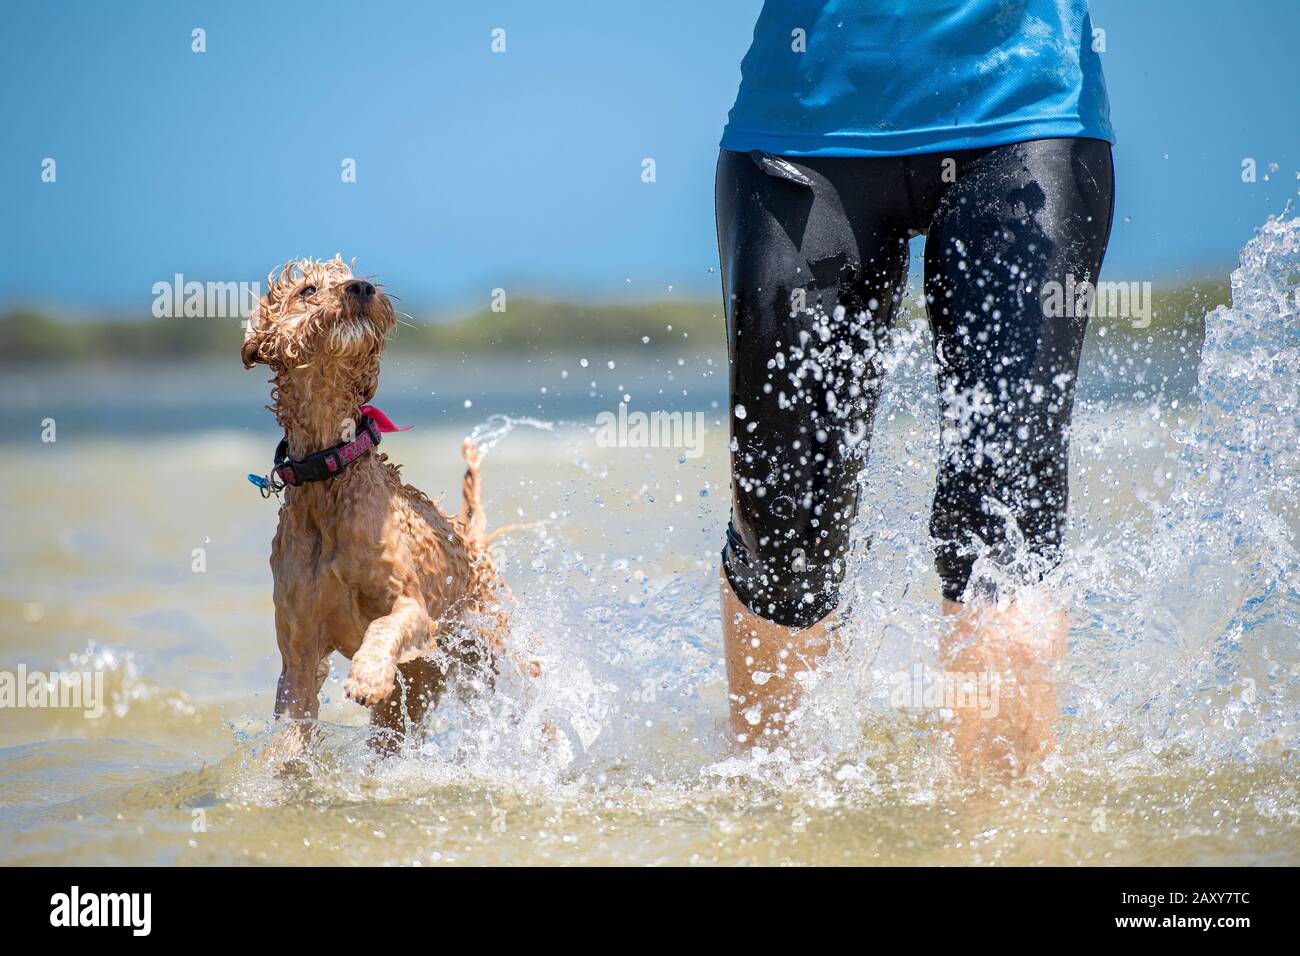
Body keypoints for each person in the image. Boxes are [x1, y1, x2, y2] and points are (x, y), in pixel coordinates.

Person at [714, 0, 1115, 777]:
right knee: (784, 524)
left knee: (1003, 508)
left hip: (1024, 111)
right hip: (801, 124)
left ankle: (999, 823)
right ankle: (769, 815)